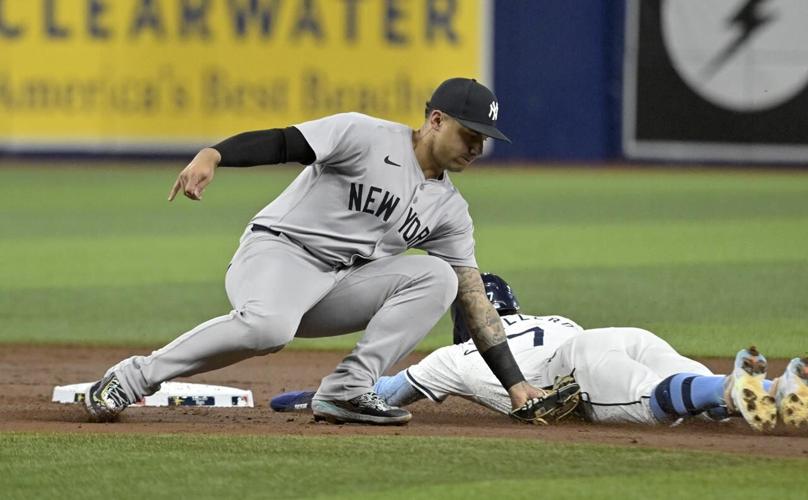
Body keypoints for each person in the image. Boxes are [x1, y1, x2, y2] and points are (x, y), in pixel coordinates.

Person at [82, 78, 547, 425]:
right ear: (436, 120)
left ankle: (348, 391)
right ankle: (131, 378)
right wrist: (214, 154)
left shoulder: (449, 209)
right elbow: (285, 142)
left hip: (338, 285)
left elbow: (473, 297)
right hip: (278, 253)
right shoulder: (365, 135)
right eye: (470, 134)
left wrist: (515, 385)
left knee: (440, 279)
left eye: (483, 139)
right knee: (268, 328)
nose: (477, 147)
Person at [271, 274, 808, 432]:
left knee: (652, 400)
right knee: (694, 391)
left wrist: (303, 396)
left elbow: (378, 392)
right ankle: (768, 388)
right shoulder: (551, 319)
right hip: (618, 334)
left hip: (584, 362)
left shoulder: (449, 359)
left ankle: (726, 388)